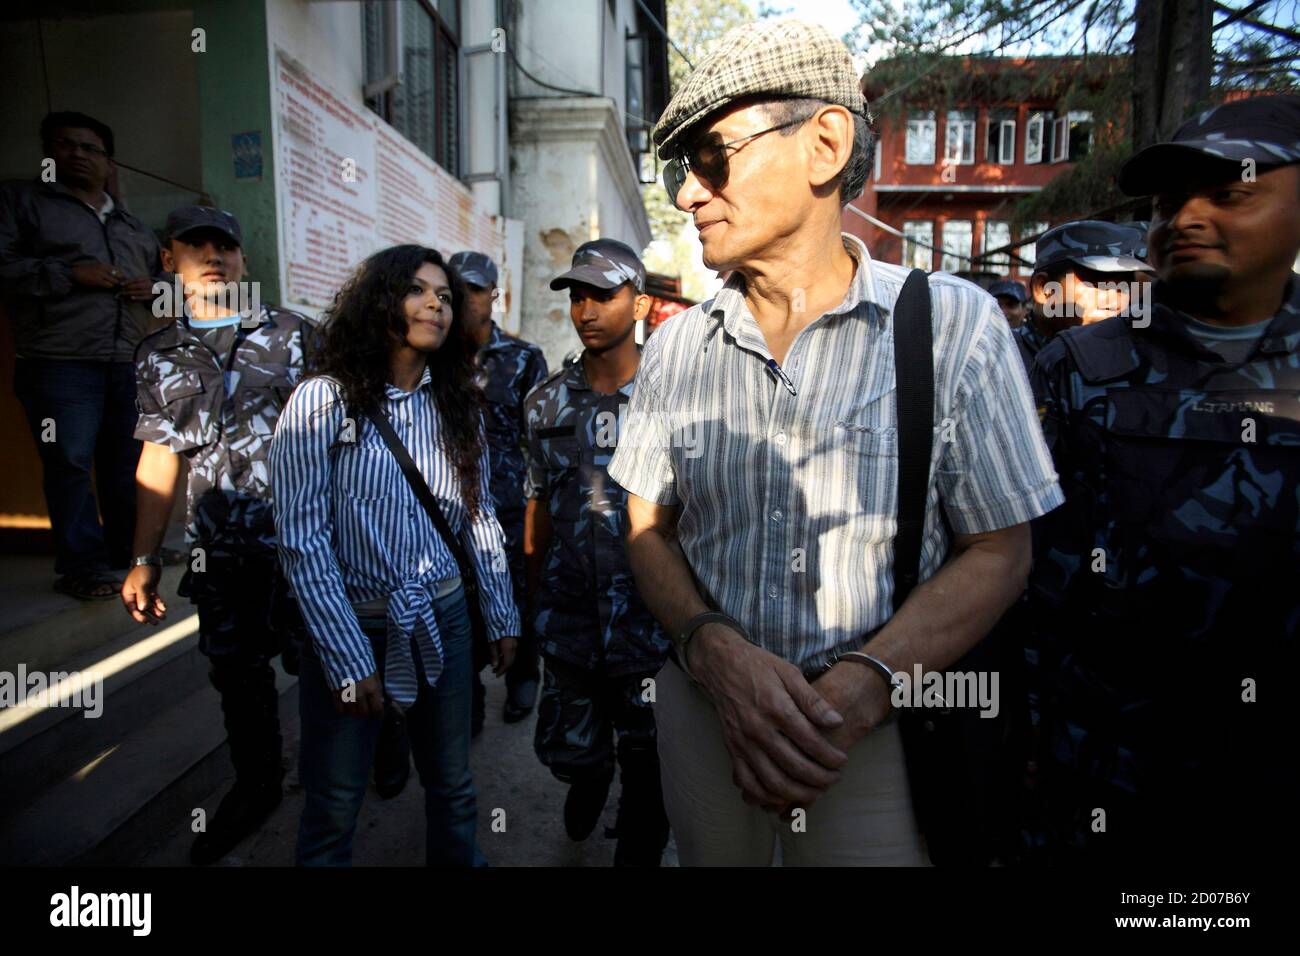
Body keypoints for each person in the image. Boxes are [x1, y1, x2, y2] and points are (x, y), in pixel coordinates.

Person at [606, 19, 1063, 866]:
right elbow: (644, 525)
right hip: (706, 725)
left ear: (823, 144)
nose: (687, 195)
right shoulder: (675, 348)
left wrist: (864, 686)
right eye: (681, 171)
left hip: (874, 746)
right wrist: (712, 651)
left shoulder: (954, 329)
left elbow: (1001, 551)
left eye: (711, 159)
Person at [1025, 93, 1300, 864]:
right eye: (1170, 200)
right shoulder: (1081, 367)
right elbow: (1026, 577)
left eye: (1231, 194)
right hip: (1110, 774)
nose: (1185, 218)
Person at [269, 244, 519, 866]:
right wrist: (350, 660)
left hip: (445, 618)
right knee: (333, 806)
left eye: (444, 295)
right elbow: (303, 545)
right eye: (417, 290)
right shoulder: (320, 404)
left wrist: (502, 613)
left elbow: (479, 515)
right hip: (355, 625)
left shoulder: (456, 402)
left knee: (454, 786)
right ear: (379, 300)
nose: (435, 303)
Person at [121, 205, 311, 865]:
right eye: (194, 244)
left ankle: (360, 754)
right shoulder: (157, 355)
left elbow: (342, 441)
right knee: (237, 674)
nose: (212, 254)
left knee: (322, 662)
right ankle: (257, 786)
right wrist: (144, 557)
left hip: (300, 547)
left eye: (223, 244)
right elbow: (159, 459)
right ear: (169, 261)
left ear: (243, 259)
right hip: (218, 552)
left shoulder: (293, 335)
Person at [524, 239, 671, 866]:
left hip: (653, 625)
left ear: (639, 302)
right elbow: (535, 507)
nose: (586, 309)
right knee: (576, 752)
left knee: (650, 768)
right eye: (576, 296)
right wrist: (530, 600)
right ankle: (588, 778)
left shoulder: (675, 399)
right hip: (573, 620)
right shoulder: (543, 402)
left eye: (602, 294)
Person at [0, 111, 161, 599]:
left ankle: (126, 556)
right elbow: (4, 269)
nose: (76, 154)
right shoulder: (22, 203)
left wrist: (154, 288)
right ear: (48, 151)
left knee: (126, 463)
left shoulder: (132, 224)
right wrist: (71, 274)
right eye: (65, 144)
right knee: (68, 461)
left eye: (89, 148)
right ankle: (82, 566)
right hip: (58, 358)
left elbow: (172, 286)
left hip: (125, 359)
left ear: (108, 161)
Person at [448, 251, 548, 733]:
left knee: (518, 592)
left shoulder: (523, 359)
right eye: (457, 289)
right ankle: (465, 696)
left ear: (494, 294)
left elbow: (539, 440)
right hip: (449, 509)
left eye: (475, 289)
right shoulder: (434, 359)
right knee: (460, 603)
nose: (466, 299)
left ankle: (523, 677)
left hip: (508, 504)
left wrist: (537, 506)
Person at [1015, 220, 1153, 380]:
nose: (1114, 302)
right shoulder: (999, 357)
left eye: (1123, 287)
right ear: (1044, 289)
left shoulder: (1137, 359)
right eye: (1097, 284)